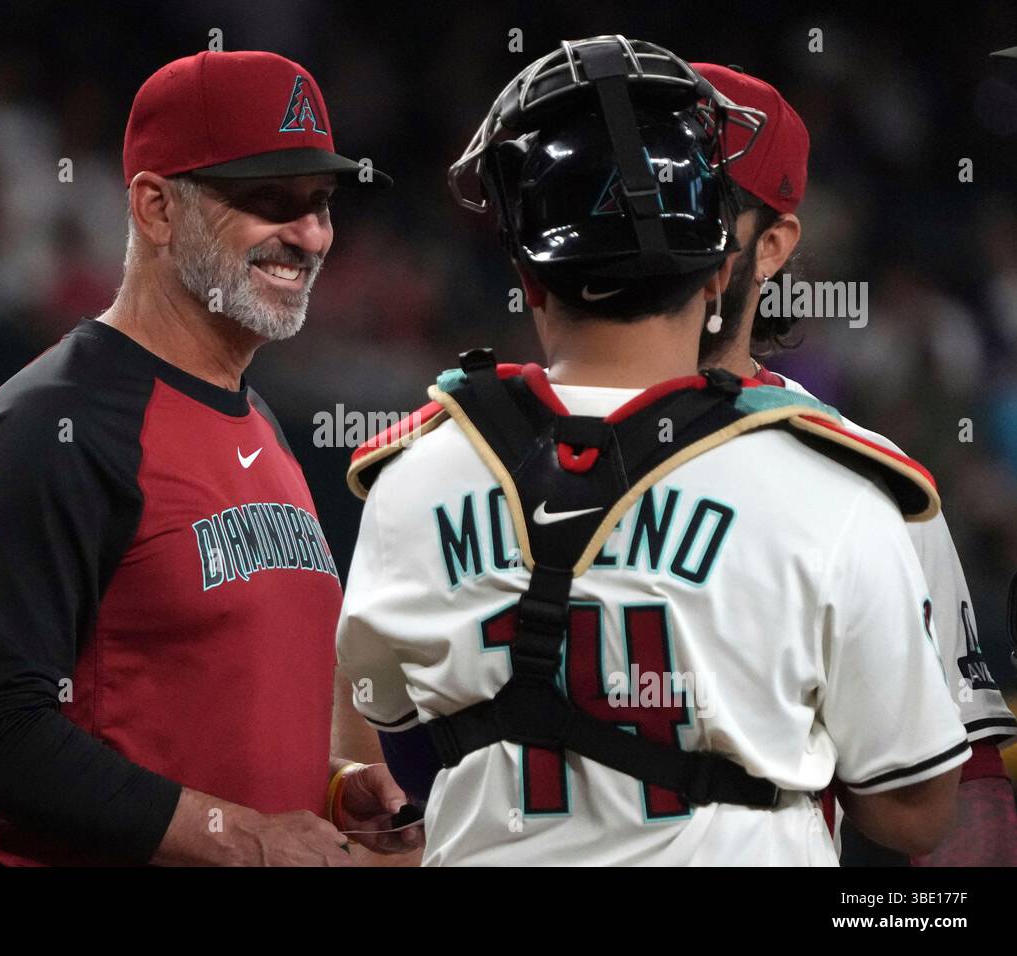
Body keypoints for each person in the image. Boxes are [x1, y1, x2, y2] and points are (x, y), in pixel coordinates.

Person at [335, 35, 968, 865]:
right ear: (718, 274)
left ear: (527, 279)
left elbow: (393, 741)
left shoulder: (411, 477)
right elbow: (916, 814)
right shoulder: (837, 492)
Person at [0, 49, 417, 866]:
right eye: (267, 200)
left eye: (320, 203)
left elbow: (194, 718)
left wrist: (327, 785)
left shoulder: (261, 424)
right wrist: (246, 837)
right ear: (154, 208)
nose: (309, 234)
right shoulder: (56, 423)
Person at [690, 61, 1017, 865]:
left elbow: (964, 788)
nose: (659, 224)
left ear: (772, 246)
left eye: (701, 205)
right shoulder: (483, 451)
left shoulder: (871, 483)